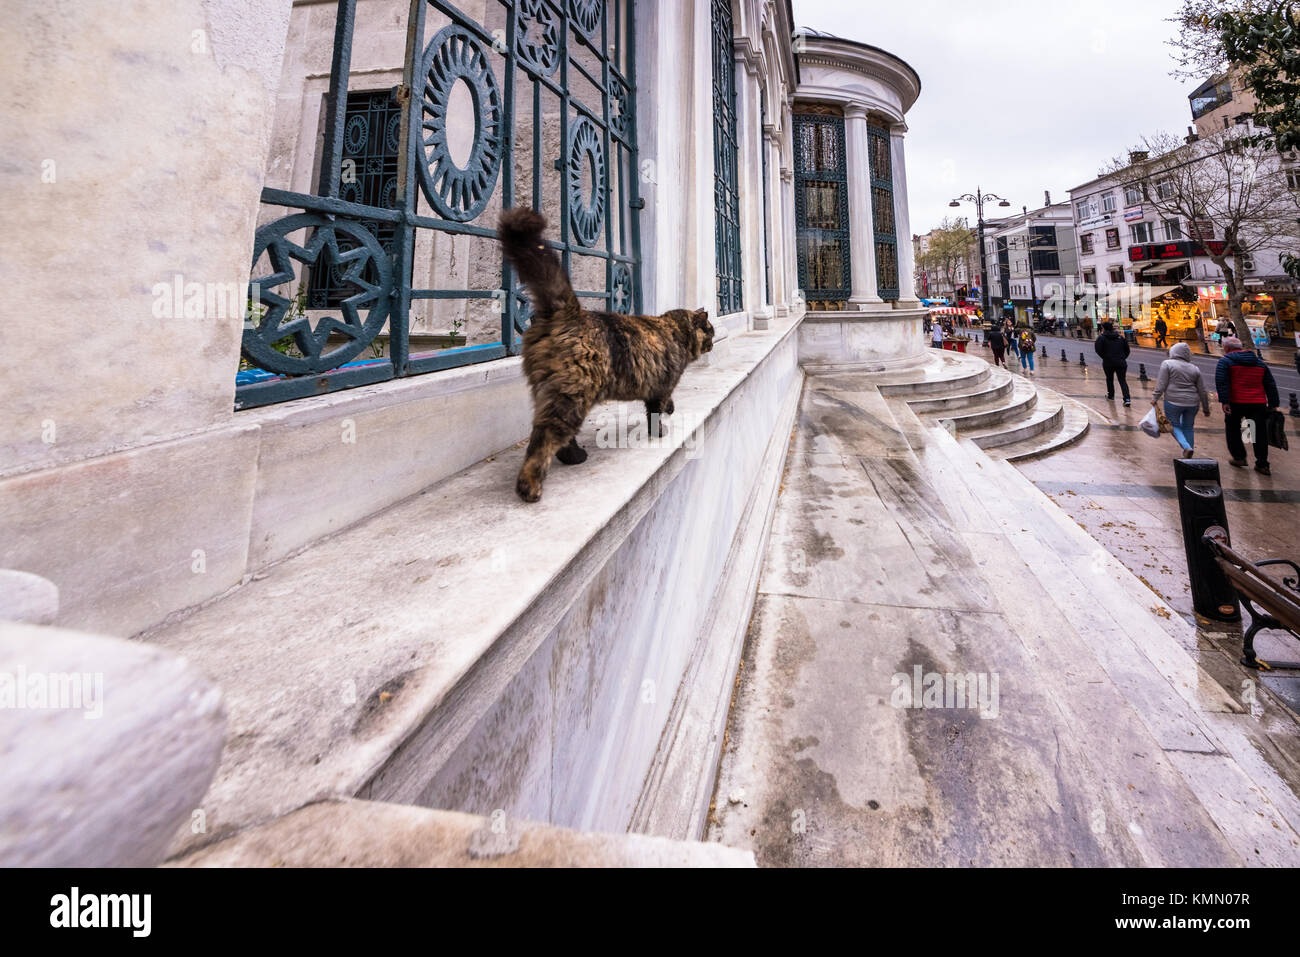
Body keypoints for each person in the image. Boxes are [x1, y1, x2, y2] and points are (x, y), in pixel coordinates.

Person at [1216, 336, 1280, 475]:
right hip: (1257, 403)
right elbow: (1270, 384)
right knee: (1258, 433)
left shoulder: (1225, 361)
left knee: (1233, 429)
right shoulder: (1259, 362)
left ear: (1226, 348)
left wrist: (1225, 401)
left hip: (1236, 403)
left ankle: (1239, 457)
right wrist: (1273, 403)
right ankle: (1262, 464)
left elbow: (1222, 382)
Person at [1152, 342, 1211, 458]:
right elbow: (1202, 390)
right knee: (1188, 427)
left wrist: (1155, 398)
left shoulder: (1167, 364)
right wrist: (1206, 407)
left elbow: (1161, 384)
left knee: (1173, 425)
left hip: (1173, 401)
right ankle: (1189, 452)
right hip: (1193, 403)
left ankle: (1186, 447)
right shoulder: (1194, 368)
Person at [1094, 321, 1132, 406]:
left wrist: (1105, 357)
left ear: (1103, 328)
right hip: (1121, 362)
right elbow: (1127, 350)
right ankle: (1127, 399)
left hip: (1108, 362)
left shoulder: (1101, 338)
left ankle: (1111, 395)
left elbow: (1098, 349)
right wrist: (1122, 357)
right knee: (1122, 380)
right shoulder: (1120, 337)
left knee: (1109, 379)